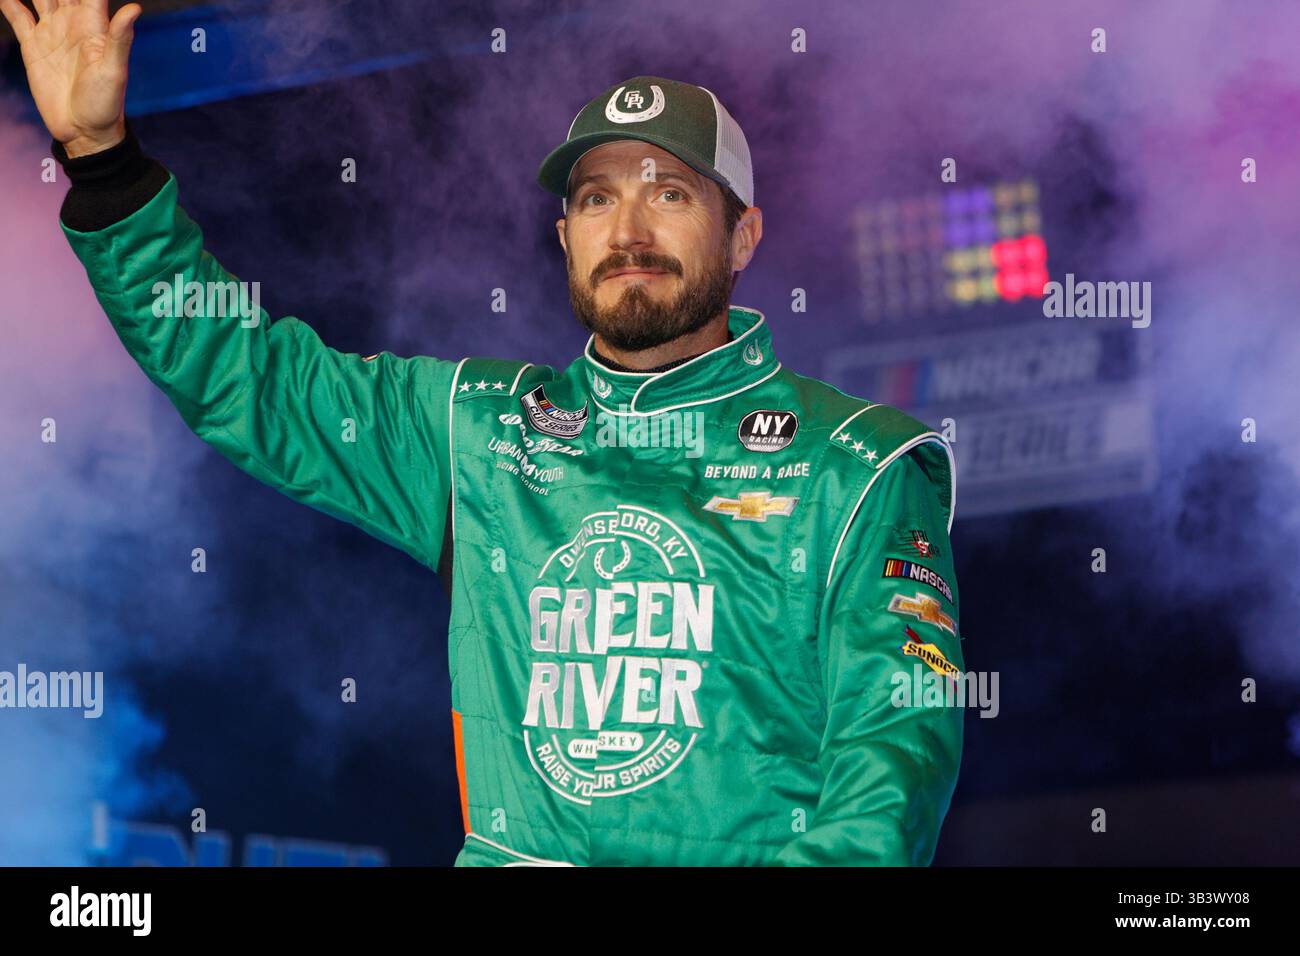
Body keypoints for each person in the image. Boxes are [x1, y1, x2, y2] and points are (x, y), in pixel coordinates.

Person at [5, 0, 966, 866]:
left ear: (745, 236)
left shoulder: (858, 464)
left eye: (668, 193)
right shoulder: (479, 429)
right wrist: (102, 159)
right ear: (563, 239)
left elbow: (895, 757)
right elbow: (243, 374)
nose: (628, 228)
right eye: (597, 198)